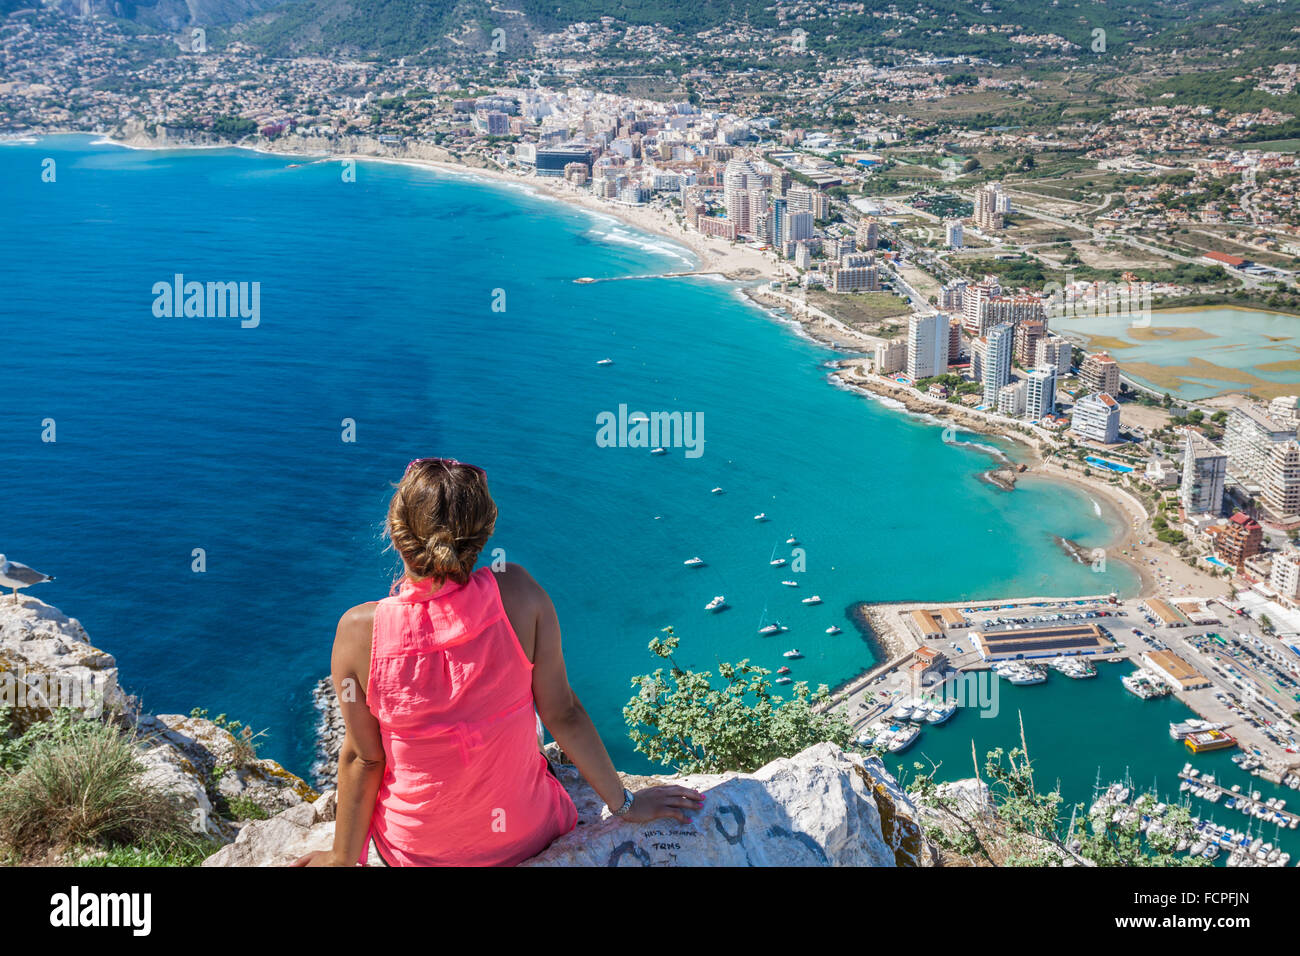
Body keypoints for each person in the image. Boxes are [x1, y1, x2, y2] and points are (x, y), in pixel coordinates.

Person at [294, 458, 703, 866]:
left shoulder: (358, 631)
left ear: (396, 531)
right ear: (484, 532)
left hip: (417, 853)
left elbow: (364, 758)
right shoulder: (520, 595)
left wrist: (342, 858)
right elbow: (564, 714)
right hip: (523, 836)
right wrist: (625, 804)